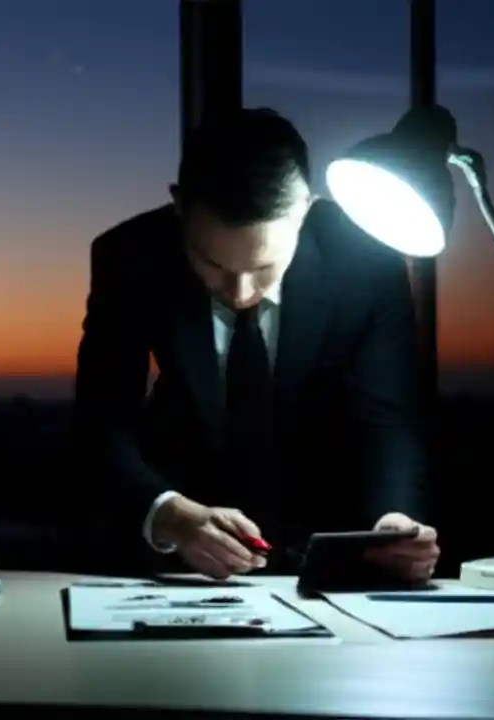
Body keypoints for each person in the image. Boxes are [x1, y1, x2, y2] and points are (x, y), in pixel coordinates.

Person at [73, 107, 440, 582]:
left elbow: (391, 421)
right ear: (180, 207)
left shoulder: (367, 261)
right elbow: (101, 420)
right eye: (213, 264)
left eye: (264, 266)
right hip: (180, 545)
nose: (241, 293)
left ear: (305, 211)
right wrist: (167, 513)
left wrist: (391, 521)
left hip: (328, 536)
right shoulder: (131, 256)